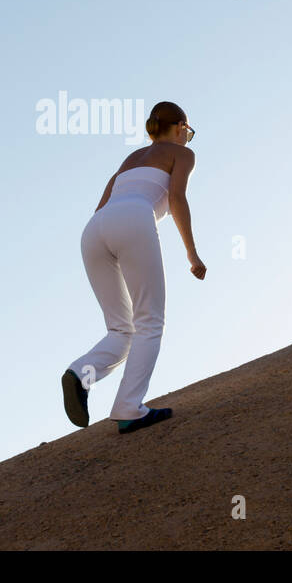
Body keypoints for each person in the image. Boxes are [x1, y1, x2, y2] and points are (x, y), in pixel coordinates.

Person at [62, 101, 205, 434]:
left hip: (94, 231)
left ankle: (80, 373)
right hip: (134, 220)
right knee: (150, 321)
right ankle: (128, 408)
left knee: (122, 329)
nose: (189, 138)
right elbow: (177, 198)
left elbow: (102, 208)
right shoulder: (182, 154)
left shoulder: (128, 161)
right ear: (181, 127)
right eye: (189, 132)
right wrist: (192, 254)